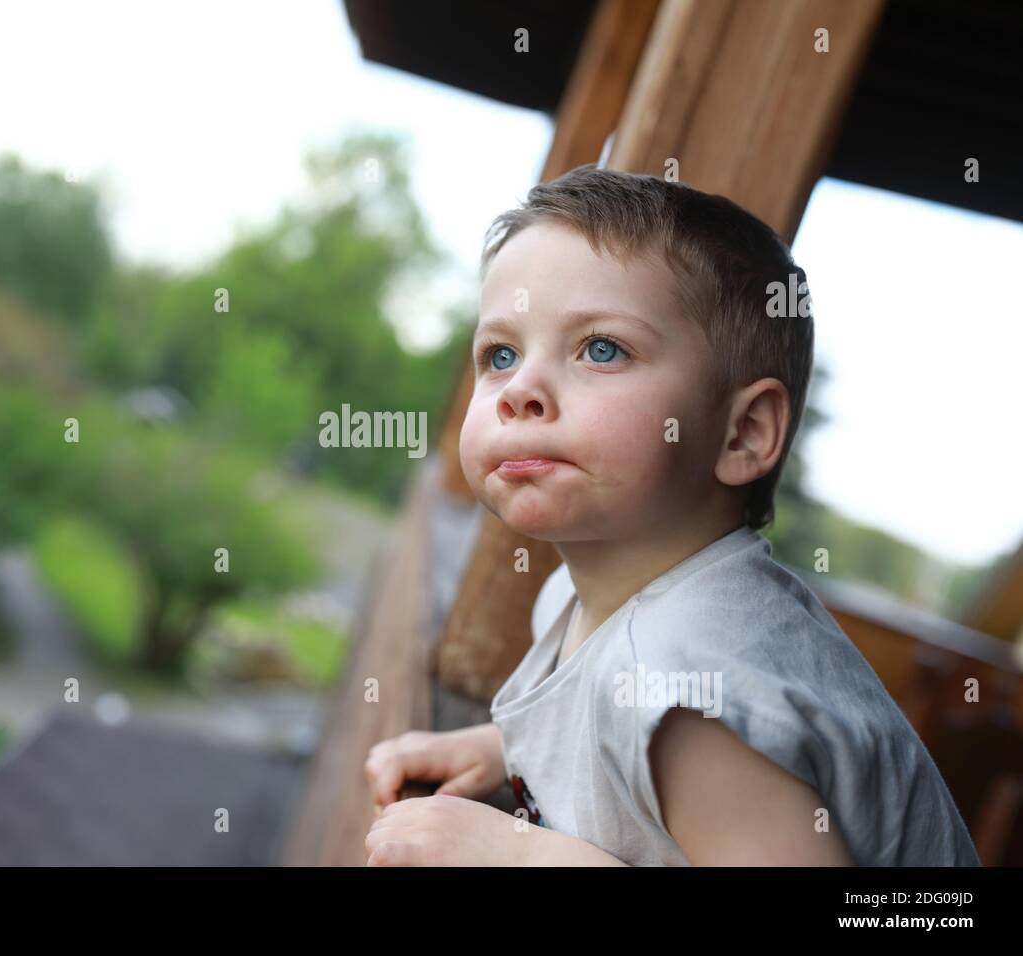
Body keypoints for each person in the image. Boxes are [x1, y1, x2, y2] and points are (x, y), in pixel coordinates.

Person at [363, 166, 980, 866]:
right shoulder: (583, 597)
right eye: (500, 354)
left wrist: (518, 855)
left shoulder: (689, 689)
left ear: (742, 433)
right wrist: (498, 751)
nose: (520, 390)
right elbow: (603, 730)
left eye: (602, 349)